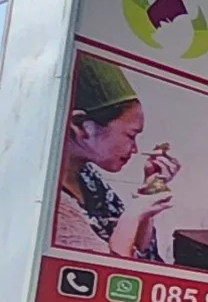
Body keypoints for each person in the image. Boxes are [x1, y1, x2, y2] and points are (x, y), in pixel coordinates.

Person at [53, 54, 178, 259]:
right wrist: (134, 213)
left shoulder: (88, 178)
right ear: (81, 126)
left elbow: (138, 250)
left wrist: (149, 194)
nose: (135, 149)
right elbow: (115, 274)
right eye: (131, 135)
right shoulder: (57, 206)